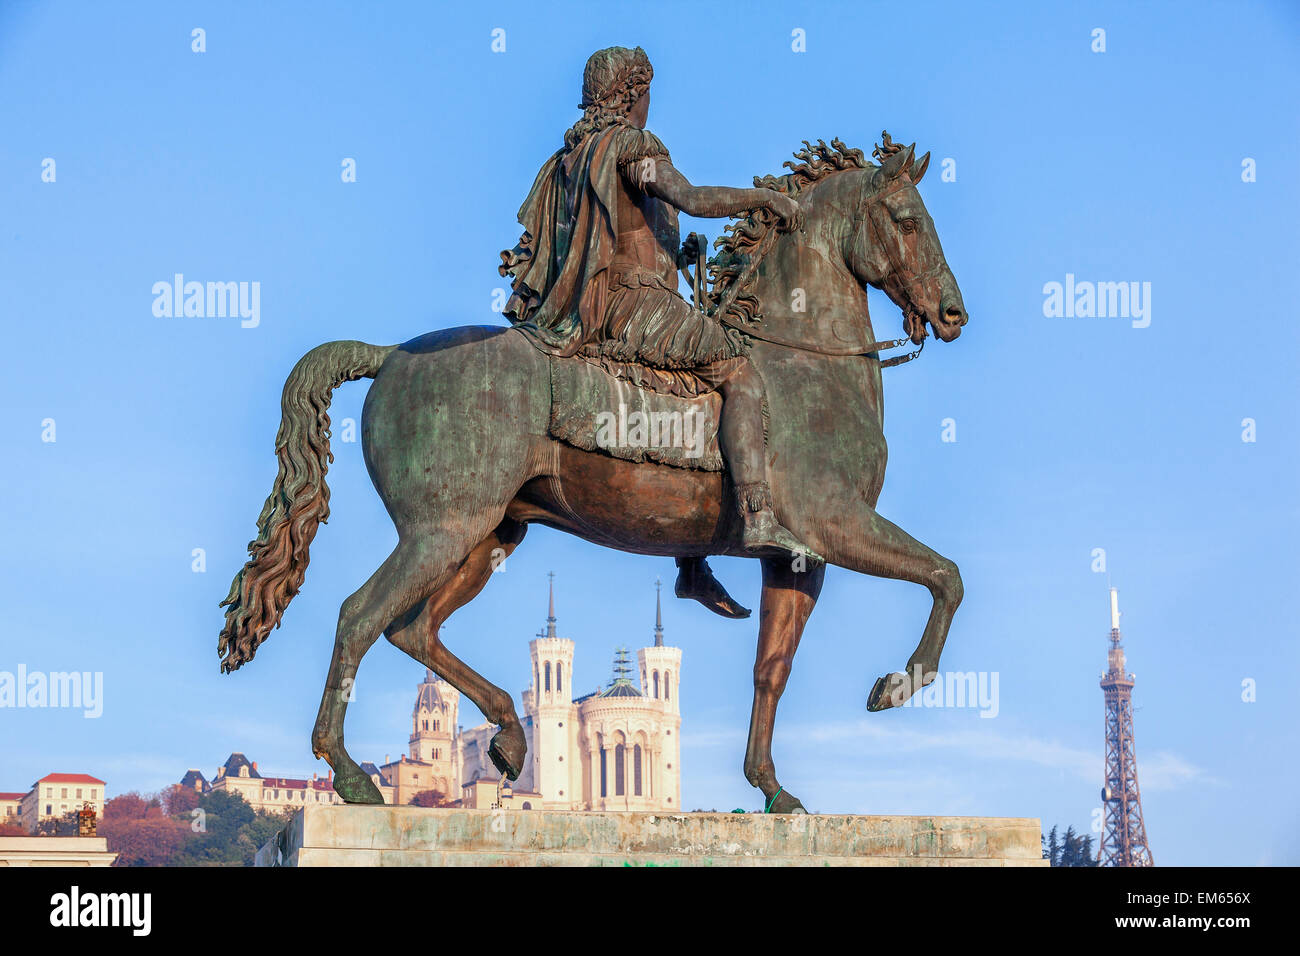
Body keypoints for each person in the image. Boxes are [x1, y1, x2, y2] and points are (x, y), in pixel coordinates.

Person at [499, 46, 821, 619]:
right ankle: (755, 515)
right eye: (646, 91)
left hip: (590, 307)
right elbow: (692, 199)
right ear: (631, 93)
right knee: (738, 368)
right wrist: (766, 199)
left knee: (687, 395)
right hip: (631, 305)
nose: (650, 104)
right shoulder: (631, 146)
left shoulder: (568, 159)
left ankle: (691, 560)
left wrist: (675, 253)